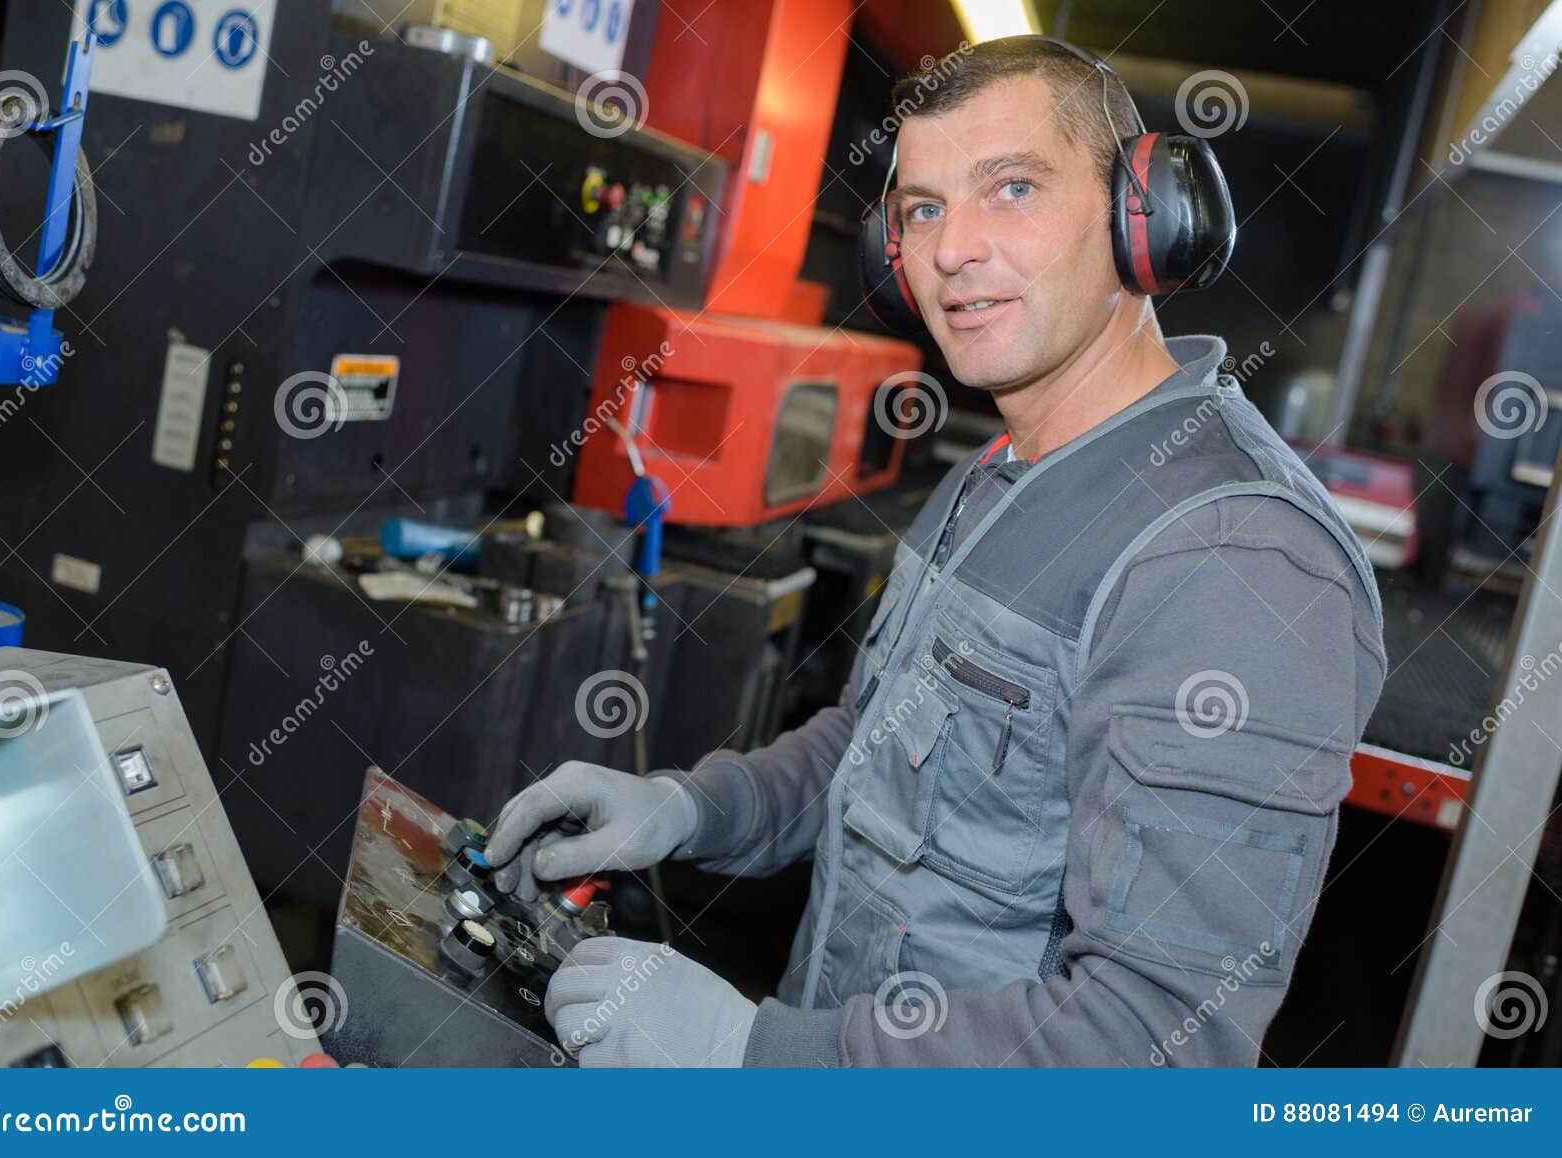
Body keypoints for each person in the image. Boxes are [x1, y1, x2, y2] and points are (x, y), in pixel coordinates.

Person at [485, 36, 1385, 1067]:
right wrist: (691, 808)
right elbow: (875, 750)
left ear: (1143, 219)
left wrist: (752, 1055)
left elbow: (1152, 1048)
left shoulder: (1232, 556)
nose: (952, 246)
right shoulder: (990, 477)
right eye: (920, 209)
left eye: (1010, 188)